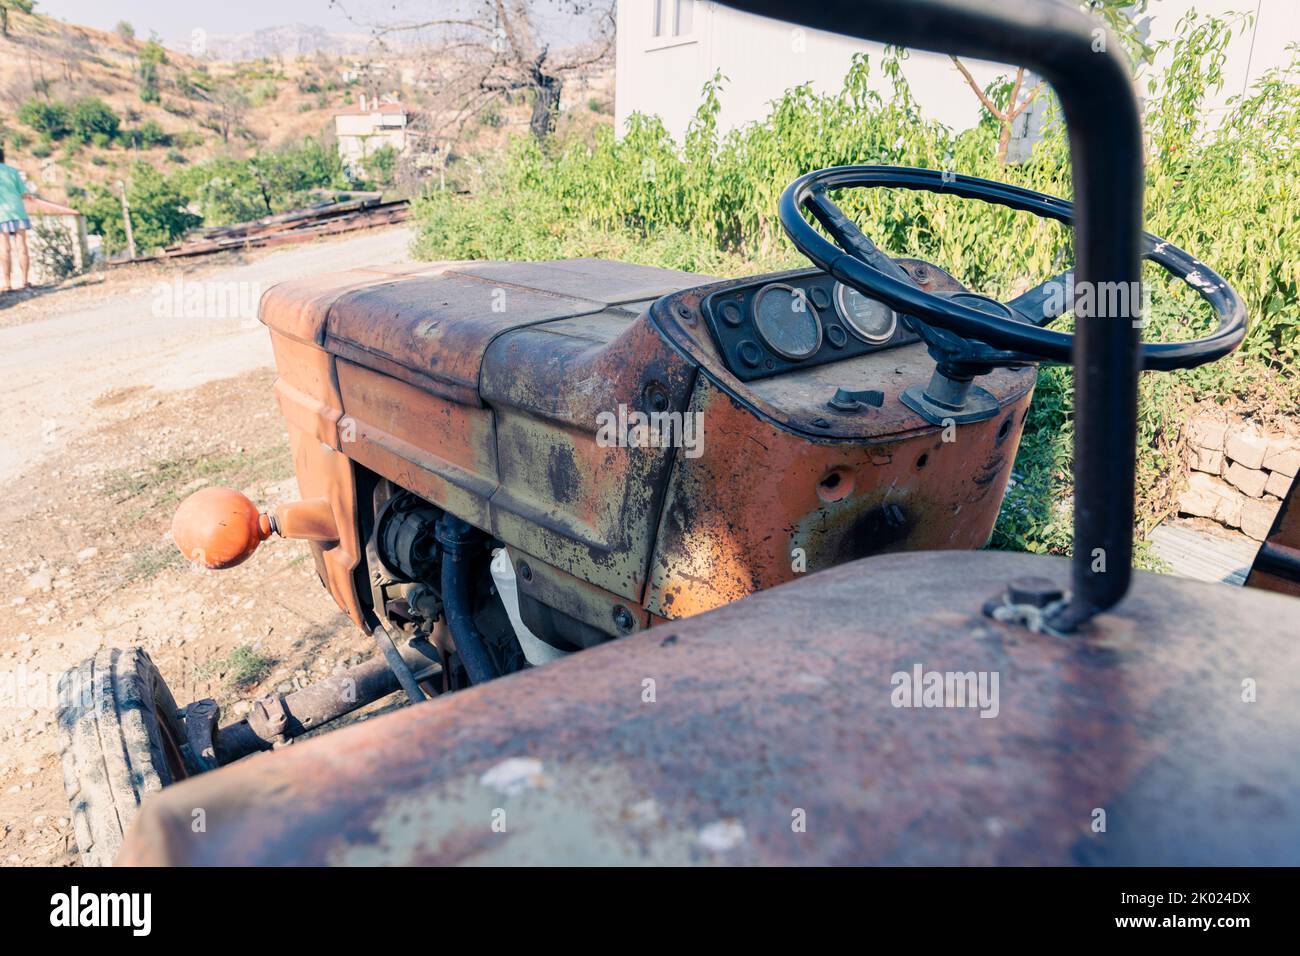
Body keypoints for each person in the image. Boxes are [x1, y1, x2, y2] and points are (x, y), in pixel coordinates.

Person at [0, 145, 33, 293]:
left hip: (1, 214)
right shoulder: (13, 172)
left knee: (4, 249)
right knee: (22, 247)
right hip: (18, 211)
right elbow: (25, 193)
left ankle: (7, 284)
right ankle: (25, 282)